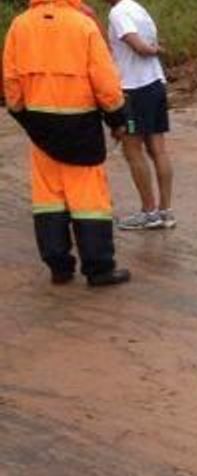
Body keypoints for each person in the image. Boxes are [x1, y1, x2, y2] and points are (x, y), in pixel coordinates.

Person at [3, 0, 131, 286]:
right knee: (89, 200)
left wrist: (26, 118)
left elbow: (11, 82)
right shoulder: (82, 24)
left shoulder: (20, 25)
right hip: (81, 127)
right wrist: (117, 119)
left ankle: (59, 267)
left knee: (48, 199)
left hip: (40, 129)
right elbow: (105, 80)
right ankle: (98, 268)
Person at [104, 0, 174, 230]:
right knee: (158, 150)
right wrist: (155, 49)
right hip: (155, 83)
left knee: (132, 150)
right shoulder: (137, 8)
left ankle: (149, 212)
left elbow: (139, 47)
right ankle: (165, 212)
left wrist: (155, 51)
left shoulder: (118, 12)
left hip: (133, 89)